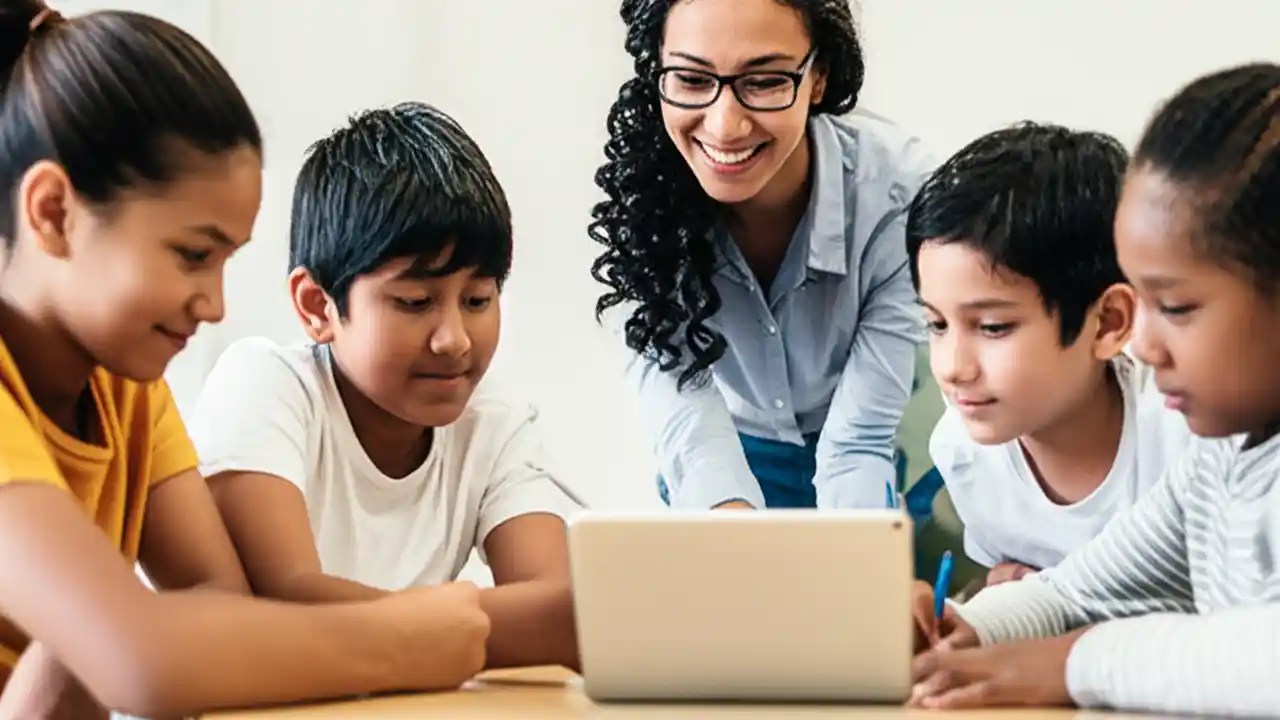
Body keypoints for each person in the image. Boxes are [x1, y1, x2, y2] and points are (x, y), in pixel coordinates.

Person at [0, 5, 489, 718]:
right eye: (194, 255)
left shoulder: (125, 389)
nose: (215, 304)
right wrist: (404, 638)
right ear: (52, 211)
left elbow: (212, 602)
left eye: (226, 260)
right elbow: (150, 661)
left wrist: (100, 634)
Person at [909, 63, 1280, 716]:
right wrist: (971, 631)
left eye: (1178, 308)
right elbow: (1079, 590)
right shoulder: (1218, 458)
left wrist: (1076, 663)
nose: (1147, 343)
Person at [190, 102, 583, 671]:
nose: (454, 340)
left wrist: (409, 629)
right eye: (415, 302)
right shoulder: (266, 385)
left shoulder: (493, 420)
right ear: (316, 305)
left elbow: (560, 616)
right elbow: (286, 599)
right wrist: (473, 626)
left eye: (478, 300)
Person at [590, 0, 935, 510]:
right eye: (690, 78)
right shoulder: (641, 206)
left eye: (766, 81)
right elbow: (693, 429)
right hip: (730, 445)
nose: (725, 126)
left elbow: (859, 441)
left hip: (882, 443)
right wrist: (730, 524)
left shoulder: (901, 198)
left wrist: (860, 566)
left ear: (818, 78)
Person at [907, 123, 1190, 587]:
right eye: (936, 324)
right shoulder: (962, 453)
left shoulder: (1186, 439)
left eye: (993, 327)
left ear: (1108, 323)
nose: (953, 368)